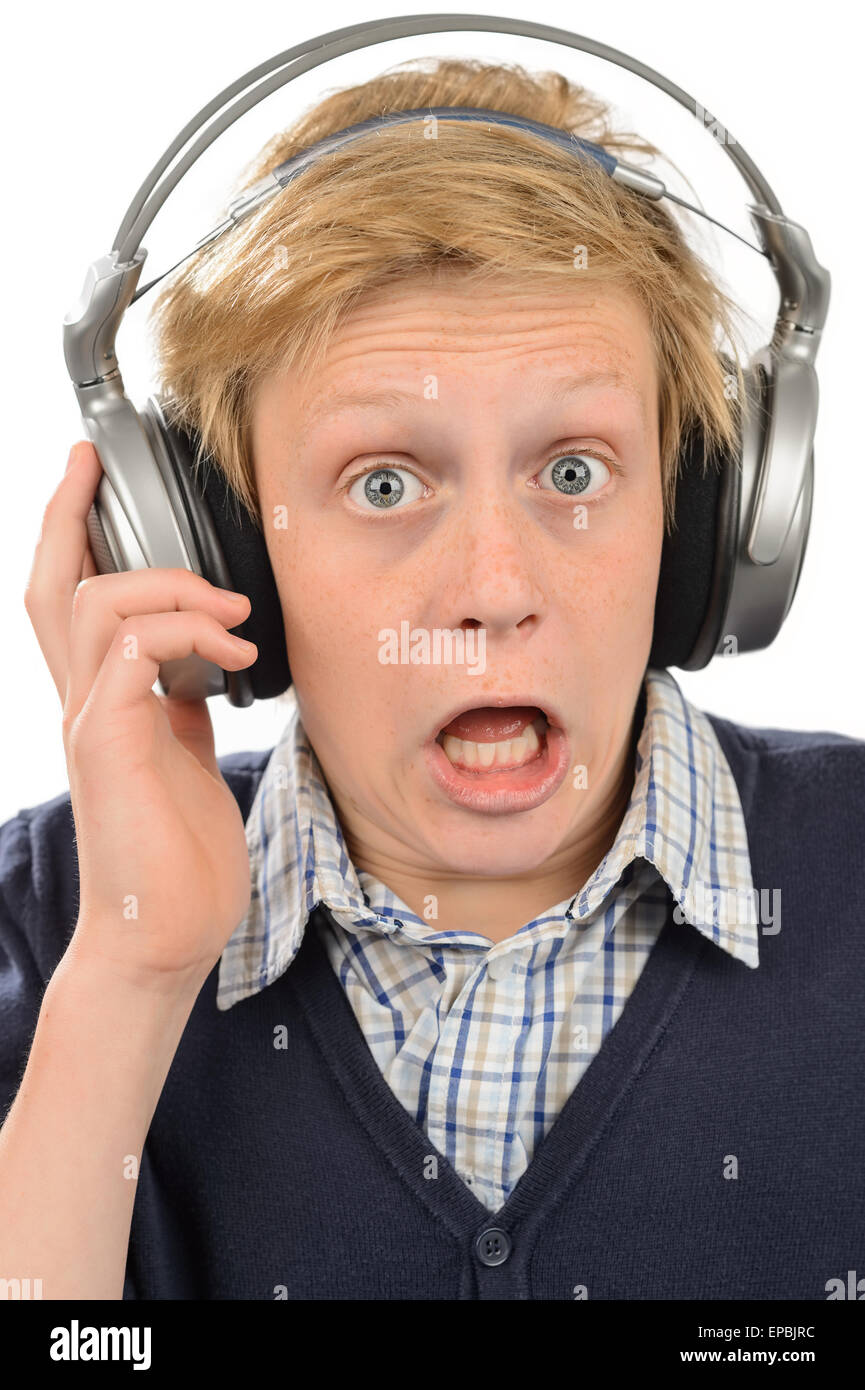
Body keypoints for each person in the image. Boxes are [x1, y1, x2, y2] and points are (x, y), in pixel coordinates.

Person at [1, 57, 862, 1302]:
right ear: (213, 545)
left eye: (572, 472)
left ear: (701, 522)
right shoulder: (46, 930)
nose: (494, 587)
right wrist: (131, 980)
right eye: (384, 483)